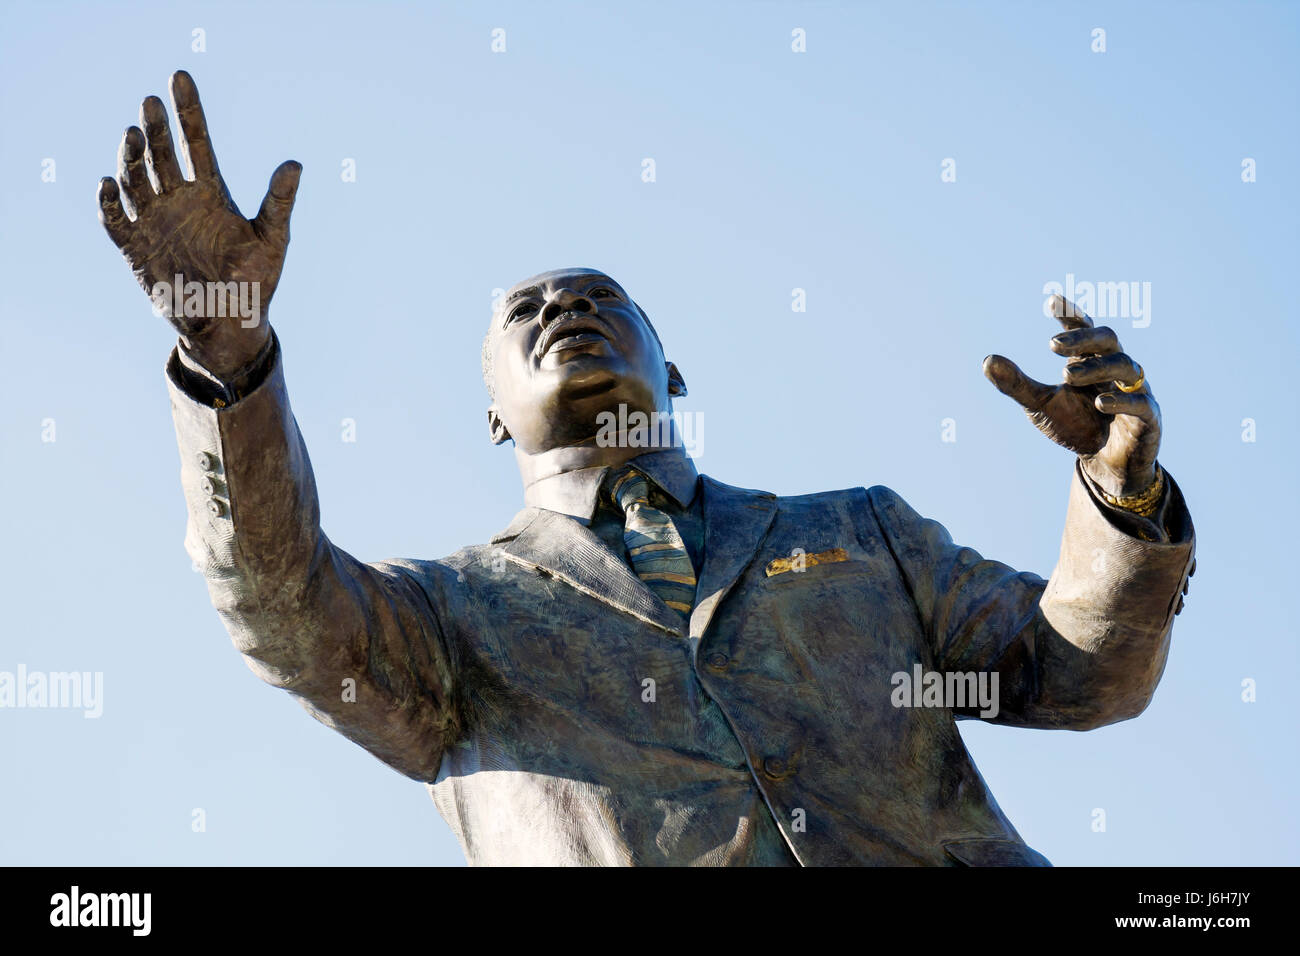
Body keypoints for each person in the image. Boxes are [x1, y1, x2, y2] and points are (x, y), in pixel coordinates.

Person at [98, 72, 1195, 866]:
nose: (566, 309)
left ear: (673, 370)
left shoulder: (865, 531)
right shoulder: (446, 614)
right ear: (493, 415)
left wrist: (1123, 497)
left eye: (599, 298)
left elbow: (1079, 675)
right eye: (525, 313)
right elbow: (279, 608)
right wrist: (228, 356)